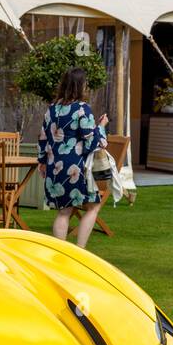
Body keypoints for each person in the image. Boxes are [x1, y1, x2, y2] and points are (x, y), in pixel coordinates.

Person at [37, 67, 109, 250]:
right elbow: (92, 142)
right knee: (93, 207)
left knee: (64, 212)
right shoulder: (82, 109)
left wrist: (42, 161)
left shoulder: (52, 109)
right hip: (76, 168)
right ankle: (80, 251)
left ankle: (62, 253)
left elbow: (43, 138)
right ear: (80, 86)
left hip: (55, 166)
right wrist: (101, 126)